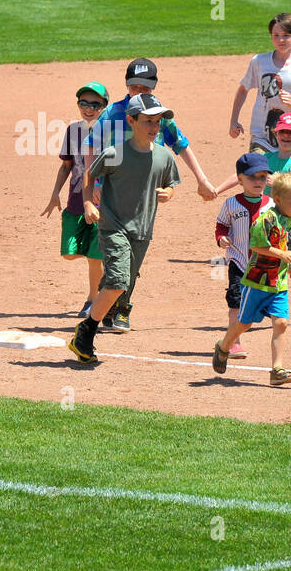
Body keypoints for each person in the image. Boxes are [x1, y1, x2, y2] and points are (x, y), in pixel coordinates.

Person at [83, 58, 214, 331]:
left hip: (143, 198)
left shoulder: (159, 115)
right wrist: (93, 187)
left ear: (154, 87)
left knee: (132, 255)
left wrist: (201, 179)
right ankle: (118, 307)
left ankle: (114, 301)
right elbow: (92, 147)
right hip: (112, 192)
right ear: (126, 86)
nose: (140, 91)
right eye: (134, 87)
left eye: (146, 87)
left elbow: (181, 145)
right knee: (118, 251)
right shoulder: (112, 114)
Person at [69, 93, 180, 364]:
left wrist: (168, 193)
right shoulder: (114, 154)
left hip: (142, 231)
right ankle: (86, 332)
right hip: (112, 226)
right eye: (148, 121)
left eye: (157, 122)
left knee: (121, 284)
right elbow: (89, 175)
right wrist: (87, 204)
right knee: (118, 280)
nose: (154, 127)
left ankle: (91, 327)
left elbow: (170, 185)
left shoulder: (164, 157)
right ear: (131, 120)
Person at [212, 172, 291, 387]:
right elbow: (256, 246)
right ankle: (224, 346)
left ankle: (277, 370)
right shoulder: (265, 220)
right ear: (278, 200)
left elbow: (289, 247)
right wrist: (281, 255)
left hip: (279, 283)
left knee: (281, 323)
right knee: (244, 324)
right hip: (256, 282)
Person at [42, 82, 110, 317]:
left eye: (95, 104)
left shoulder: (112, 131)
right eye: (84, 103)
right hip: (75, 201)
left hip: (101, 205)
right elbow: (66, 166)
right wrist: (54, 194)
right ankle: (105, 266)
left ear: (104, 107)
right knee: (69, 253)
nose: (89, 108)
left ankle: (93, 299)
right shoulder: (73, 131)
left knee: (93, 257)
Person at [229, 13, 291, 154]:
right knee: (257, 175)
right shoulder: (259, 61)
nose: (280, 40)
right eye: (276, 35)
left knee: (288, 177)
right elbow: (243, 90)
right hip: (261, 137)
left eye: (285, 35)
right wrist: (234, 120)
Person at [213, 153, 275, 360]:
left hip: (263, 264)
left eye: (262, 177)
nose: (258, 182)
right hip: (238, 261)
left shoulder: (272, 205)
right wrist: (221, 238)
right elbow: (221, 226)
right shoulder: (231, 204)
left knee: (266, 303)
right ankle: (234, 344)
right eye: (252, 177)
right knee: (235, 302)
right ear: (240, 179)